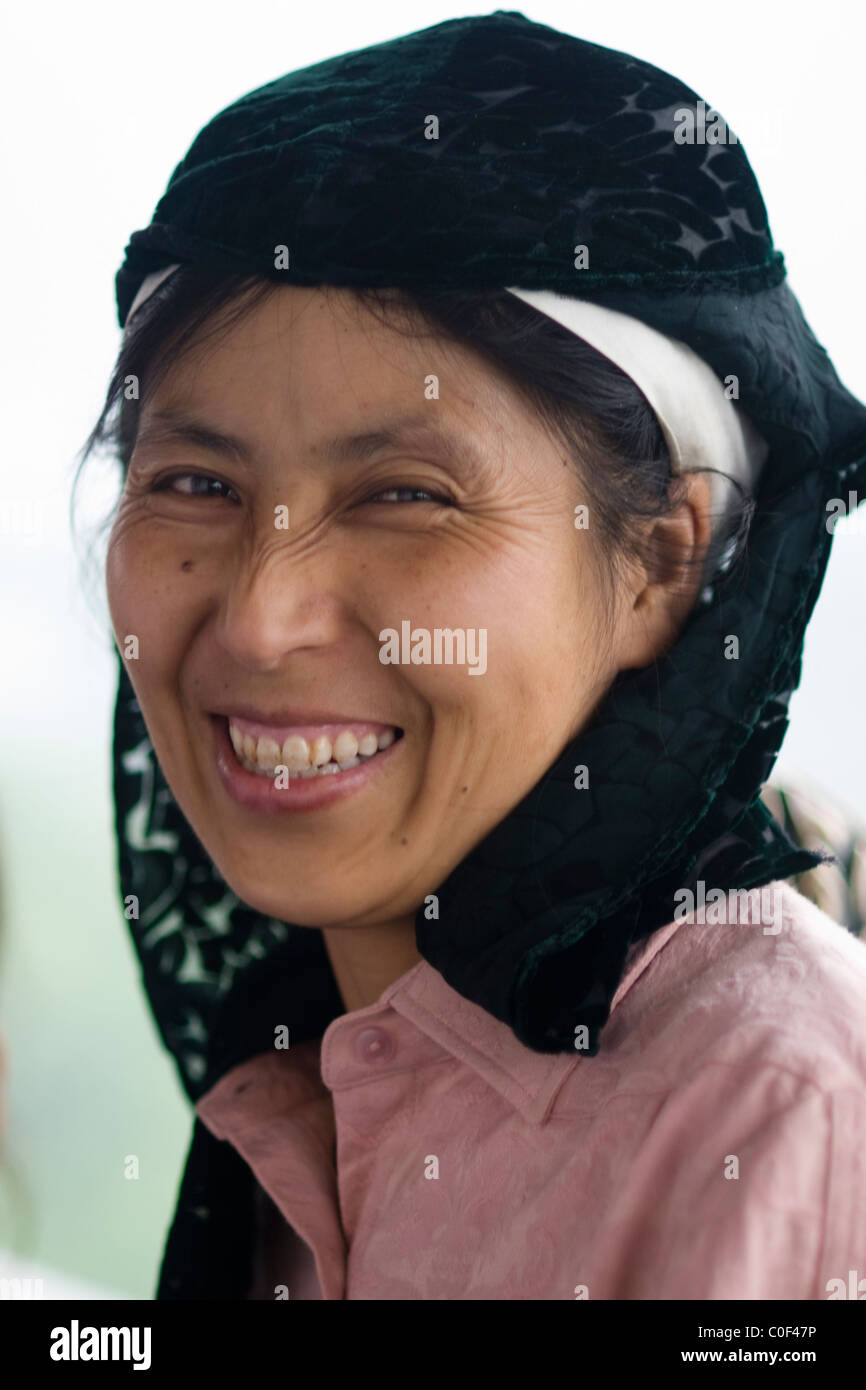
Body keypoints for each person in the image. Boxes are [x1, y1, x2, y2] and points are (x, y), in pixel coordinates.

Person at [78, 11, 866, 1299]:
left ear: (668, 561)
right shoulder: (295, 1083)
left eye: (405, 496)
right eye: (195, 480)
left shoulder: (784, 1124)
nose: (261, 619)